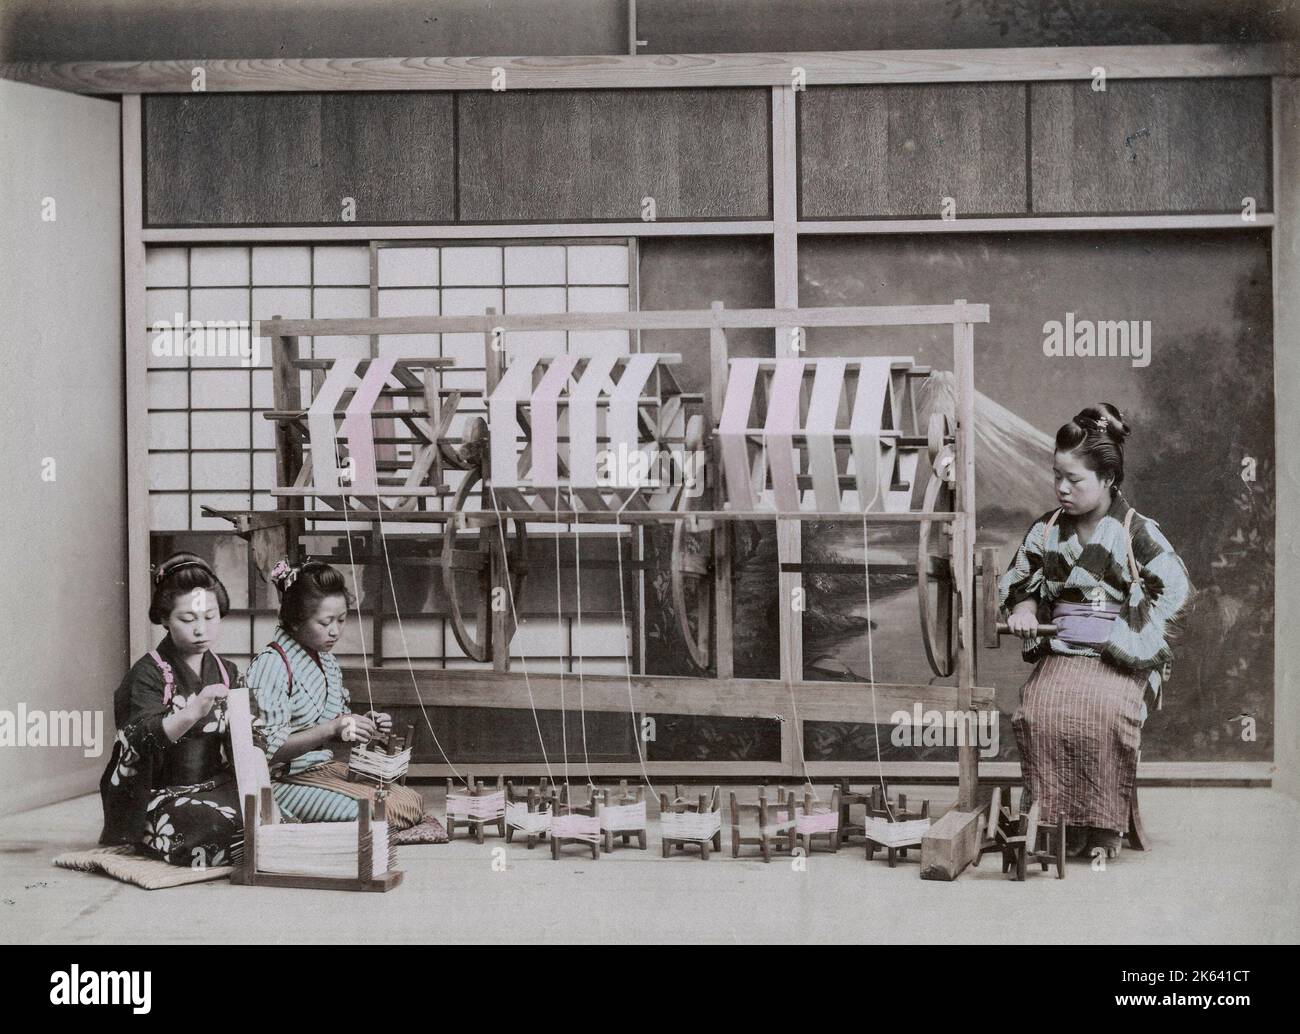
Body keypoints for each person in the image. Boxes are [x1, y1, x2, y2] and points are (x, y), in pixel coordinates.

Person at [998, 404, 1191, 858]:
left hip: (1122, 658)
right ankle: (1053, 822)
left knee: (1104, 712)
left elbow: (1177, 591)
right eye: (1057, 476)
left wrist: (1133, 633)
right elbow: (1019, 582)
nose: (1062, 488)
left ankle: (1104, 829)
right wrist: (1025, 607)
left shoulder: (1134, 531)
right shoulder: (1045, 531)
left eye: (1075, 479)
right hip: (1064, 650)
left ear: (1107, 479)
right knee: (1037, 711)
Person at [244, 559, 423, 828]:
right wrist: (331, 729)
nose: (335, 631)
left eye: (341, 620)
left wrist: (364, 725)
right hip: (279, 782)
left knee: (410, 801)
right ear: (295, 621)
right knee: (380, 812)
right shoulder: (271, 664)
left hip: (320, 770)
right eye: (326, 622)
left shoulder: (326, 660)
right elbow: (266, 749)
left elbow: (336, 721)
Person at [99, 552, 242, 867]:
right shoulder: (148, 673)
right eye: (188, 619)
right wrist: (195, 709)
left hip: (213, 784)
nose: (201, 630)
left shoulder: (226, 670)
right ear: (165, 618)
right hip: (157, 792)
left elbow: (247, 735)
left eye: (210, 617)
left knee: (264, 817)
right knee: (212, 829)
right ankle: (145, 837)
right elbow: (139, 739)